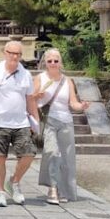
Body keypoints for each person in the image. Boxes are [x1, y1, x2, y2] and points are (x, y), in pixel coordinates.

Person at [0, 40, 39, 207]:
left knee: (29, 154)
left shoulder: (25, 74)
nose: (15, 56)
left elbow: (30, 98)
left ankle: (14, 182)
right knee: (0, 157)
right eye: (12, 53)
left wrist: (35, 120)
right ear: (5, 53)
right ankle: (0, 191)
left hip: (21, 122)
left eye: (18, 54)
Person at [33, 48, 90, 204]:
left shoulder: (67, 81)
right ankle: (52, 188)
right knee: (52, 152)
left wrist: (81, 106)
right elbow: (30, 99)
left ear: (60, 63)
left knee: (66, 157)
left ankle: (62, 189)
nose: (52, 63)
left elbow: (72, 102)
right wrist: (37, 96)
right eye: (49, 61)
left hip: (66, 121)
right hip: (48, 120)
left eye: (56, 61)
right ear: (45, 62)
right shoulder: (40, 78)